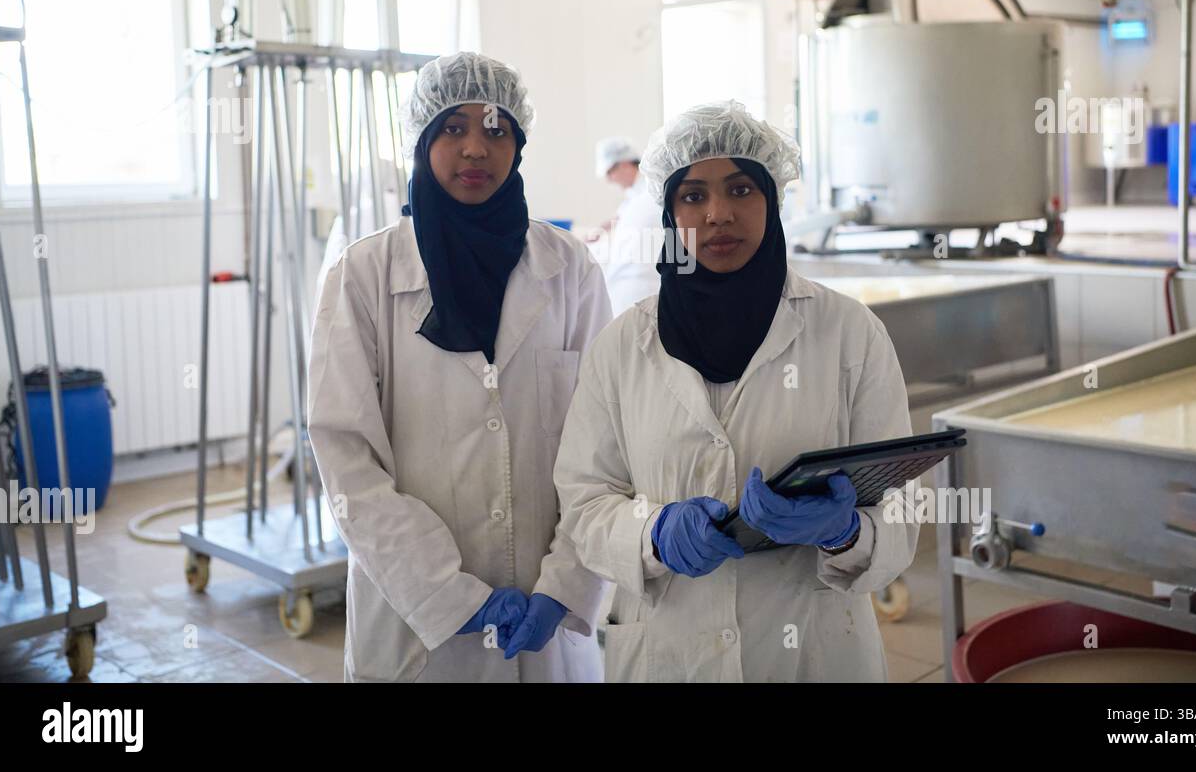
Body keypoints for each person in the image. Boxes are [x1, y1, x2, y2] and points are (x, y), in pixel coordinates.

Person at [553, 100, 916, 682]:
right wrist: (652, 534)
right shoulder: (622, 346)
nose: (719, 213)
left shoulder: (849, 333)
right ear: (670, 212)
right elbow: (584, 501)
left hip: (815, 652)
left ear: (772, 202)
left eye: (742, 189)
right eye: (693, 195)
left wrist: (848, 533)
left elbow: (900, 506)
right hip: (670, 652)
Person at [308, 51, 611, 682]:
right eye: (453, 128)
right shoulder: (364, 277)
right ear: (421, 139)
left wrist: (566, 584)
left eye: (497, 130)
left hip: (543, 619)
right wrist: (446, 593)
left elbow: (605, 446)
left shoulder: (570, 270)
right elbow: (347, 459)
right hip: (418, 631)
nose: (476, 148)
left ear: (518, 143)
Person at [588, 137, 662, 315]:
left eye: (610, 172)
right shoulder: (636, 193)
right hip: (633, 287)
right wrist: (602, 229)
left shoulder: (652, 190)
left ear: (625, 164)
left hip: (644, 283)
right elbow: (623, 214)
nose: (610, 180)